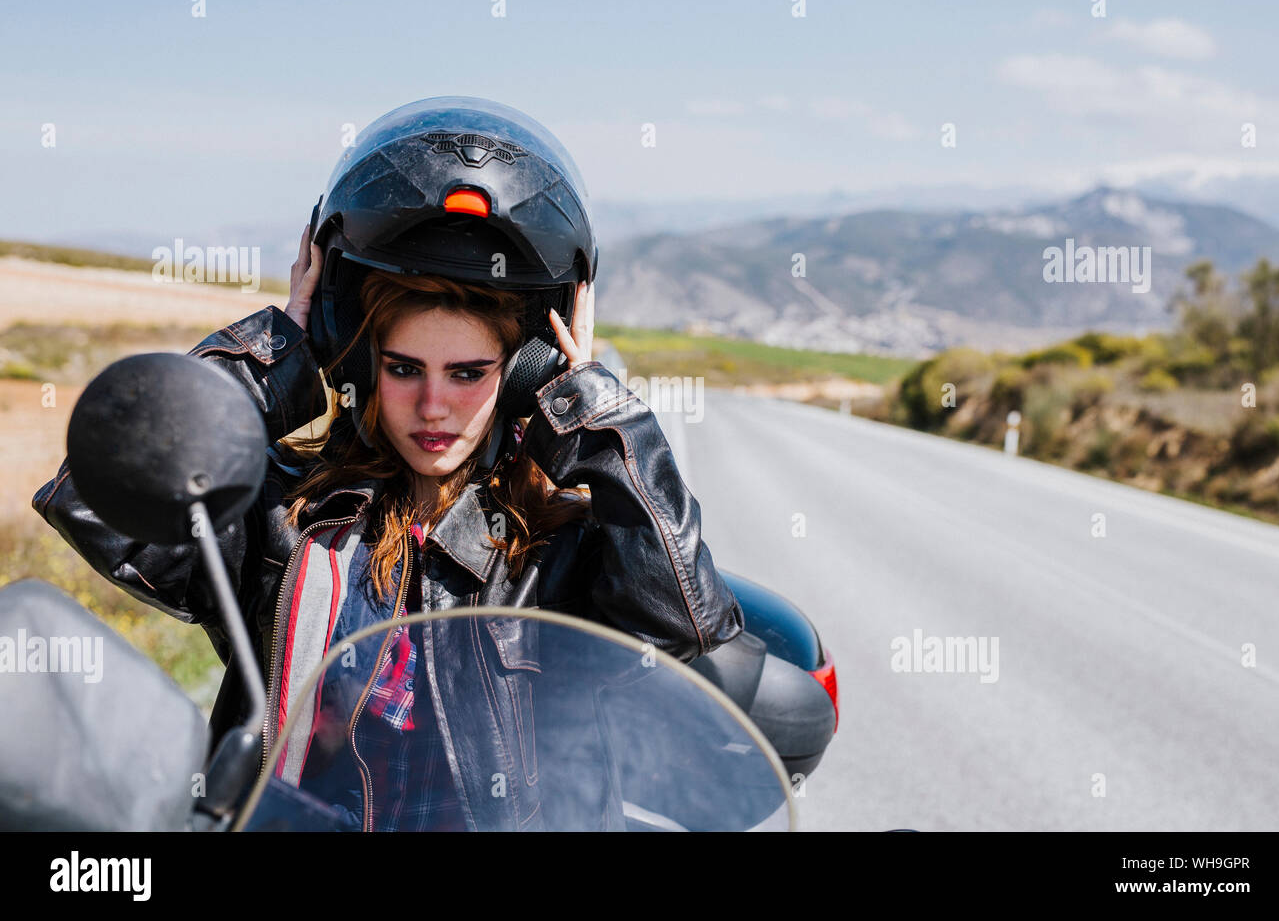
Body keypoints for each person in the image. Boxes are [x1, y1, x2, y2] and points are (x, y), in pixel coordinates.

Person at [30, 97, 744, 831]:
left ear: (523, 374)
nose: (434, 405)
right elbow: (96, 500)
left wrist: (587, 403)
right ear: (365, 364)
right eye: (405, 368)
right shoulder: (289, 519)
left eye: (468, 373)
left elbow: (685, 621)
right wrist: (282, 353)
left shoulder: (559, 547)